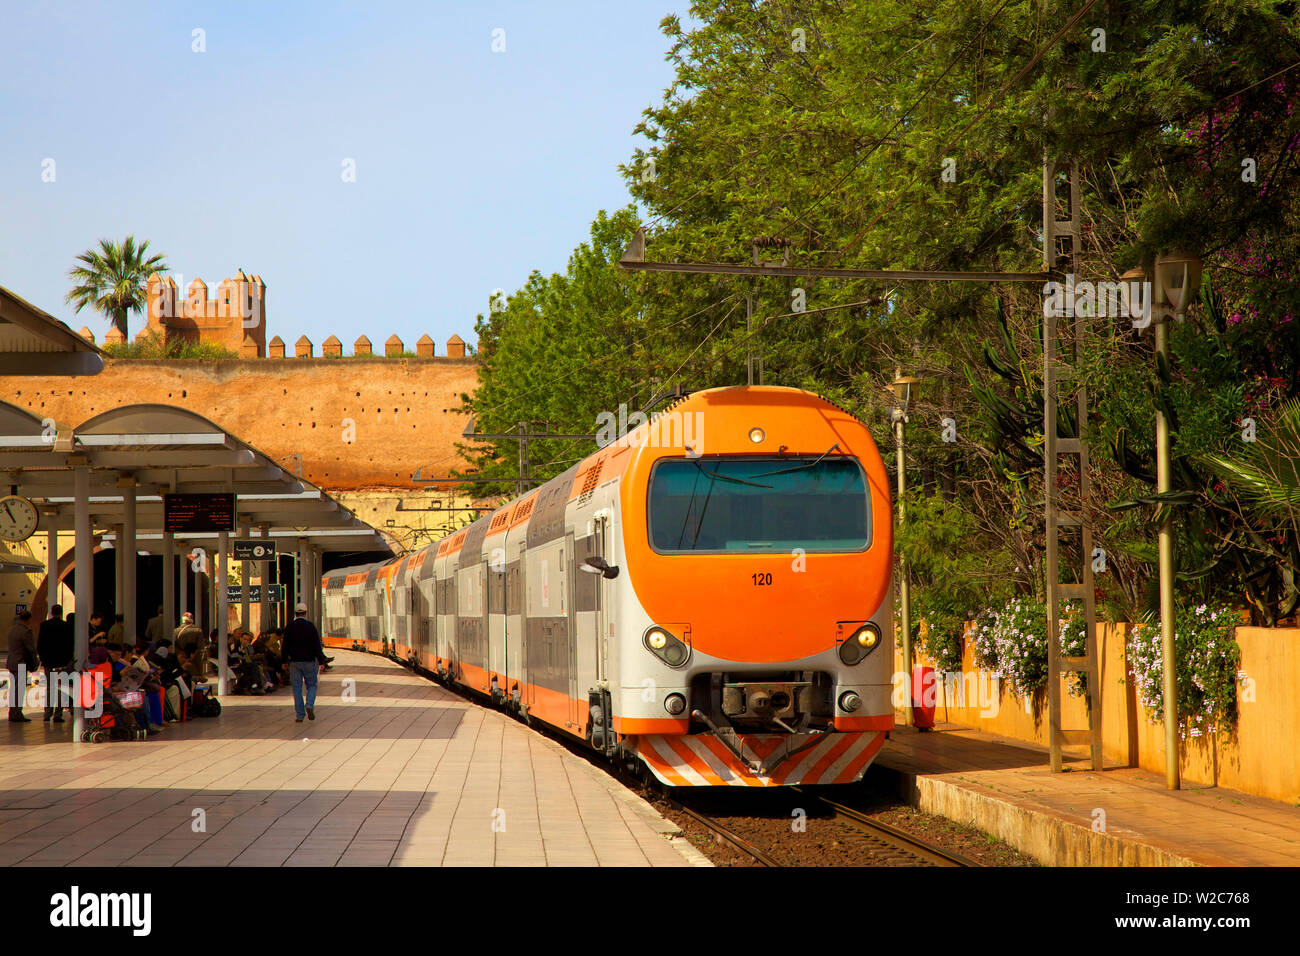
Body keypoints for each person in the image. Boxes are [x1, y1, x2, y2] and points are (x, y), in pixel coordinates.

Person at [282, 602, 326, 722]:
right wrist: (322, 661)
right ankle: (310, 705)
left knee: (296, 688)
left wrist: (284, 660)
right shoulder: (311, 626)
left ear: (295, 613)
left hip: (295, 662)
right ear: (305, 613)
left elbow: (285, 645)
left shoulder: (290, 626)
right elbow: (317, 645)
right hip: (310, 662)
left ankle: (300, 715)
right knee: (312, 685)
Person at [37, 605, 74, 723]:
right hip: (61, 663)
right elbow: (70, 645)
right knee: (60, 688)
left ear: (51, 613)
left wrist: (43, 659)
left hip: (48, 662)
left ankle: (47, 713)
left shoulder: (44, 625)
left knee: (49, 688)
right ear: (61, 613)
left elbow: (40, 644)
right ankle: (58, 714)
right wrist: (67, 660)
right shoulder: (67, 626)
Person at [7, 611, 38, 722]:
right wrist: (35, 663)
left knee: (13, 689)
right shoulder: (26, 632)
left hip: (11, 662)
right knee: (19, 690)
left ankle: (12, 712)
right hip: (21, 663)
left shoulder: (12, 630)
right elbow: (31, 649)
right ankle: (17, 713)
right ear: (28, 619)